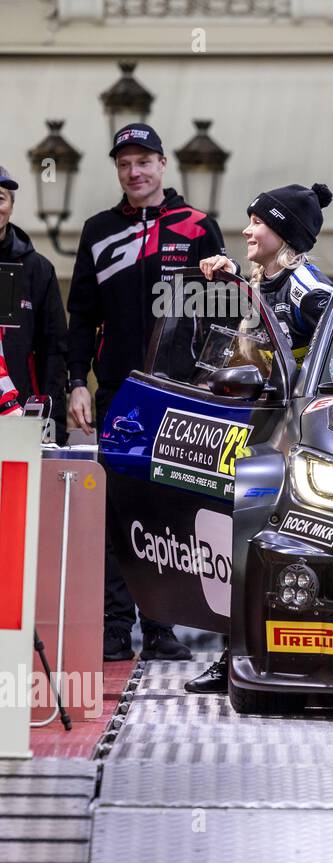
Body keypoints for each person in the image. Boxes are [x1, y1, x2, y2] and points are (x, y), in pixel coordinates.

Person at [65, 124, 230, 662]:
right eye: (124, 164)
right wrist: (75, 384)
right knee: (115, 509)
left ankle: (162, 627)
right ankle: (115, 627)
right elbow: (81, 319)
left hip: (182, 397)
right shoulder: (97, 231)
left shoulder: (199, 227)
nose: (134, 172)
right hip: (119, 395)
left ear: (162, 164)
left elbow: (223, 316)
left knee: (172, 511)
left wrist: (214, 385)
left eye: (143, 161)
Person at [185, 182, 333, 695]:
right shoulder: (268, 278)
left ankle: (255, 659)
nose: (247, 230)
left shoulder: (310, 291)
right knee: (239, 546)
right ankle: (237, 656)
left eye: (258, 223)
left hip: (289, 446)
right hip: (256, 435)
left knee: (261, 550)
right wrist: (225, 277)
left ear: (285, 233)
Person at [0, 166, 68, 438]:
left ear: (11, 207)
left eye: (0, 198)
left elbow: (53, 350)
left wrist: (55, 427)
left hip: (19, 415)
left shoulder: (38, 270)